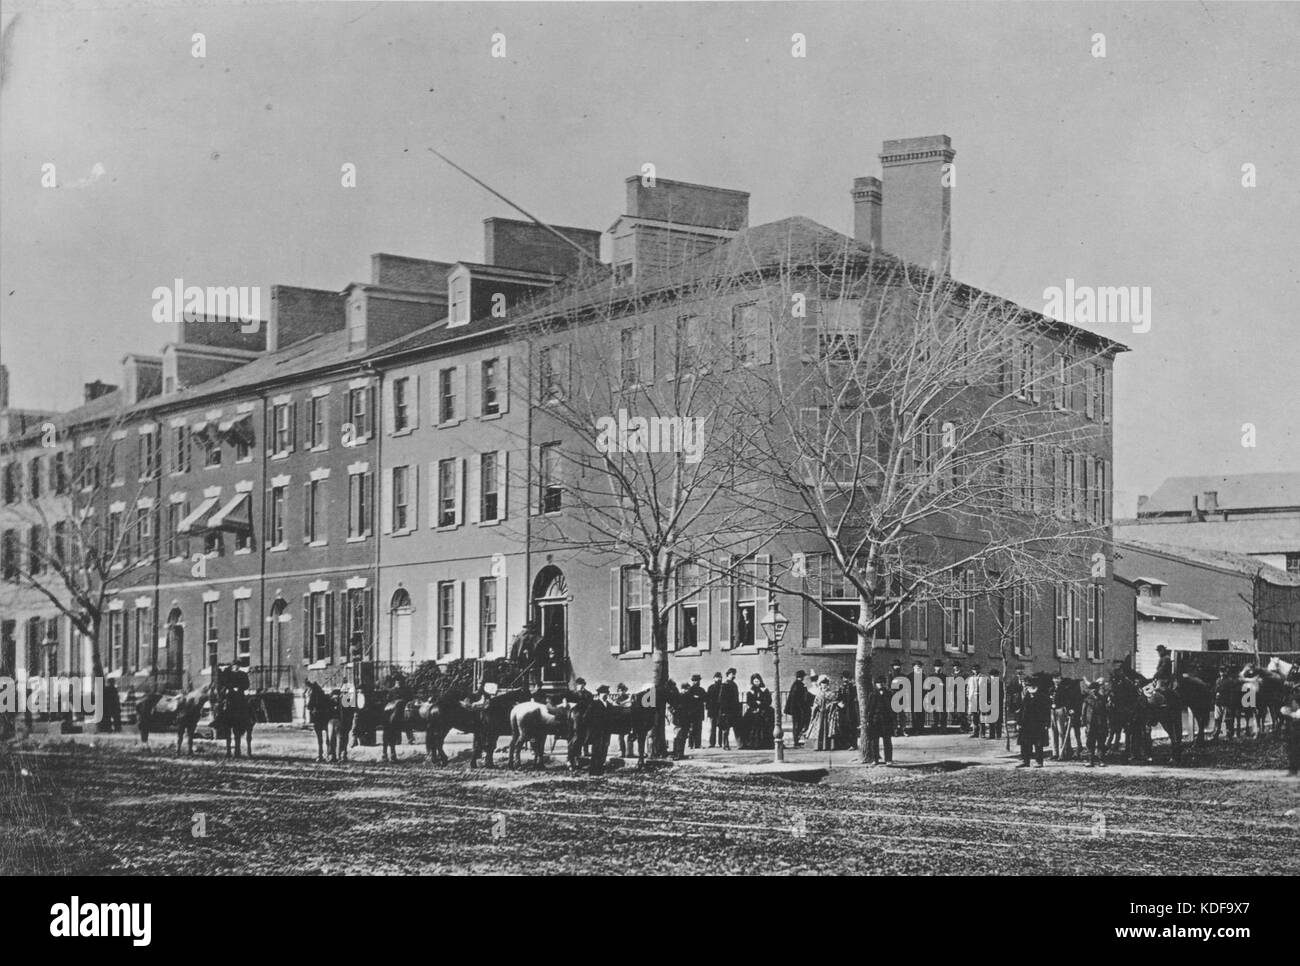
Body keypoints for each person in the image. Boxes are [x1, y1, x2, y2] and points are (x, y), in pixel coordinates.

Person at [1016, 674, 1051, 768]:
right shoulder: (1027, 696)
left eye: (1031, 686)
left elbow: (1046, 711)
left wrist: (1047, 723)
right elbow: (1022, 710)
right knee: (1024, 743)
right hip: (1026, 724)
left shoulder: (1042, 696)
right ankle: (1025, 760)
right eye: (1028, 686)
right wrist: (1019, 722)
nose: (1029, 688)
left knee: (1038, 743)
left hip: (1038, 723)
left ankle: (1039, 761)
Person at [864, 675, 896, 765]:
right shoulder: (872, 694)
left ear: (884, 684)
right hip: (875, 720)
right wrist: (868, 720)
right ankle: (875, 759)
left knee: (887, 741)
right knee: (874, 741)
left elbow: (893, 708)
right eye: (878, 683)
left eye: (882, 683)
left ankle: (888, 759)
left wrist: (893, 720)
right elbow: (869, 708)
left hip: (886, 720)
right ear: (875, 685)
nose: (880, 685)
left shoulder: (889, 694)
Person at [805, 676, 838, 752]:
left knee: (828, 729)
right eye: (823, 683)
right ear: (820, 684)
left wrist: (830, 706)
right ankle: (819, 746)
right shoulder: (819, 694)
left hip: (829, 714)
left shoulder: (831, 693)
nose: (824, 685)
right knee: (819, 729)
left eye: (826, 683)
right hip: (820, 714)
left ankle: (828, 745)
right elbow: (816, 703)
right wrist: (815, 710)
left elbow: (834, 702)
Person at [1080, 680, 1108, 767]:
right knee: (1090, 743)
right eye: (1091, 689)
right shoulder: (1087, 699)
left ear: (1098, 689)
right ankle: (1090, 760)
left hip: (1100, 724)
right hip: (1090, 724)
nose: (1093, 691)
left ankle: (1101, 760)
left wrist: (1106, 724)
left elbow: (1106, 712)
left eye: (1095, 689)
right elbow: (1083, 712)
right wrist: (1084, 724)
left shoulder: (1103, 699)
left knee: (1101, 742)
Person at [567, 677, 593, 768]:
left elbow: (590, 705)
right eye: (578, 684)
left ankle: (577, 758)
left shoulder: (588, 694)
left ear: (584, 685)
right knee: (575, 738)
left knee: (582, 738)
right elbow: (569, 704)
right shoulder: (573, 694)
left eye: (582, 684)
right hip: (575, 718)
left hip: (585, 718)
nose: (580, 686)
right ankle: (570, 759)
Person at [744, 674, 774, 750]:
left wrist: (761, 703)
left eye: (758, 681)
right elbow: (749, 701)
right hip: (753, 709)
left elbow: (769, 701)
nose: (756, 682)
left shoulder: (765, 690)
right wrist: (755, 704)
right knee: (749, 721)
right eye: (755, 681)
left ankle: (764, 743)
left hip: (764, 710)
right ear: (752, 682)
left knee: (765, 720)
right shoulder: (750, 691)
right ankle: (752, 743)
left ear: (760, 681)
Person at [1211, 667, 1238, 742]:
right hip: (1218, 702)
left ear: (1226, 672)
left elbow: (1231, 693)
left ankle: (1229, 735)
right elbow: (1215, 690)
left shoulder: (1229, 681)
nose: (1222, 673)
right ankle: (1216, 734)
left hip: (1226, 703)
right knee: (1217, 719)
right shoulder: (1218, 680)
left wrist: (1230, 702)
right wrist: (1216, 695)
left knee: (1228, 719)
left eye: (1223, 671)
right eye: (1221, 672)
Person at [786, 670, 811, 748]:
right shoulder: (799, 685)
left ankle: (796, 741)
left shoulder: (796, 684)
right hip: (798, 709)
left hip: (796, 709)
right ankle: (796, 742)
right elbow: (799, 698)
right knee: (798, 725)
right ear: (802, 677)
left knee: (797, 725)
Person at [718, 668, 741, 750]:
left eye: (734, 674)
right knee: (726, 729)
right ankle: (726, 745)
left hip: (734, 710)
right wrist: (723, 711)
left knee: (737, 727)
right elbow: (721, 699)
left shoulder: (734, 684)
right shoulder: (724, 685)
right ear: (728, 674)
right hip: (727, 710)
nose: (734, 675)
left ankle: (740, 744)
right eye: (732, 674)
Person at [1280, 685, 1300, 777]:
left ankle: (1294, 769)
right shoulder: (1293, 695)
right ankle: (1293, 769)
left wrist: (1290, 713)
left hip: (1296, 725)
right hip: (1294, 728)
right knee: (1293, 747)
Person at [835, 672, 858, 750]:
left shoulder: (853, 687)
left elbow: (854, 697)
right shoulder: (841, 688)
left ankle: (853, 744)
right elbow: (838, 698)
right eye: (844, 678)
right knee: (843, 726)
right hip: (843, 710)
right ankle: (846, 744)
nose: (845, 679)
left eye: (847, 678)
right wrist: (839, 703)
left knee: (852, 726)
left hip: (851, 709)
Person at [672, 682, 695, 759]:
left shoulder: (685, 697)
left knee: (681, 737)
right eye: (686, 689)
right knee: (679, 737)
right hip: (680, 720)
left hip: (683, 720)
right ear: (683, 689)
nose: (687, 690)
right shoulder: (680, 697)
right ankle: (678, 754)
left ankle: (678, 753)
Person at [685, 674, 708, 749]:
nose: (697, 682)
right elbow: (687, 699)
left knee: (698, 729)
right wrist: (695, 698)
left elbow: (705, 698)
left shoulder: (701, 690)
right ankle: (690, 744)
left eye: (698, 680)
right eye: (695, 680)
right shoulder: (690, 690)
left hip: (699, 712)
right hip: (692, 713)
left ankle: (698, 744)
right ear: (693, 681)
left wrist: (699, 698)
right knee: (692, 729)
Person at [889, 661, 908, 737]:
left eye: (898, 665)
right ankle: (895, 730)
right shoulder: (890, 676)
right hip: (893, 697)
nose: (897, 667)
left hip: (901, 697)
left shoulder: (903, 676)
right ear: (893, 667)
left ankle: (903, 730)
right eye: (895, 666)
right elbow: (889, 686)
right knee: (893, 715)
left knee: (902, 715)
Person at [967, 665, 986, 738]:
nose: (975, 671)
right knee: (974, 716)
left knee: (982, 716)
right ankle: (975, 732)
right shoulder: (970, 679)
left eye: (977, 669)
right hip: (973, 698)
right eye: (974, 669)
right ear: (972, 670)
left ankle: (982, 733)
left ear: (979, 669)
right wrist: (969, 696)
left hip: (981, 698)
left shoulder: (983, 677)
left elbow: (987, 688)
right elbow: (968, 689)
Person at [704, 672, 723, 747]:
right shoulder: (710, 688)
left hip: (721, 710)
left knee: (721, 727)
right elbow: (707, 700)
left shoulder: (723, 687)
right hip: (713, 710)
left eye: (720, 677)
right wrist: (708, 709)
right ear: (714, 678)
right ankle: (712, 743)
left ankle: (721, 743)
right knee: (712, 728)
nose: (718, 679)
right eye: (717, 677)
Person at [908, 661, 926, 735]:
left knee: (921, 714)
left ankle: (921, 729)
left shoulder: (923, 676)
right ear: (913, 668)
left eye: (919, 667)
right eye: (916, 667)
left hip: (921, 697)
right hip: (913, 697)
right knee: (915, 714)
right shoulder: (910, 676)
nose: (918, 668)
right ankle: (915, 729)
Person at [986, 668, 1004, 740]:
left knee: (998, 720)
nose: (993, 677)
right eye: (992, 676)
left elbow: (1002, 694)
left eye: (995, 676)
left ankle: (998, 735)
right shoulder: (988, 684)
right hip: (991, 704)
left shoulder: (1001, 684)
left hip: (998, 704)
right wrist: (988, 701)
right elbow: (986, 694)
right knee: (991, 720)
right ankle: (991, 735)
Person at [930, 660, 948, 732]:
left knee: (943, 713)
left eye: (940, 666)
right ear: (934, 667)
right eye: (937, 666)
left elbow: (948, 687)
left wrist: (943, 686)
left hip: (942, 697)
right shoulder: (931, 676)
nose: (938, 668)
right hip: (934, 696)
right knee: (935, 713)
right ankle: (935, 726)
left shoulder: (944, 676)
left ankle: (943, 727)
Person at [950, 661, 967, 733]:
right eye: (954, 666)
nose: (956, 667)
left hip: (960, 694)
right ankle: (957, 724)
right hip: (953, 694)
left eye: (957, 666)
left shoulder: (963, 674)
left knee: (961, 711)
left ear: (959, 667)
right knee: (953, 710)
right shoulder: (952, 674)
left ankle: (964, 727)